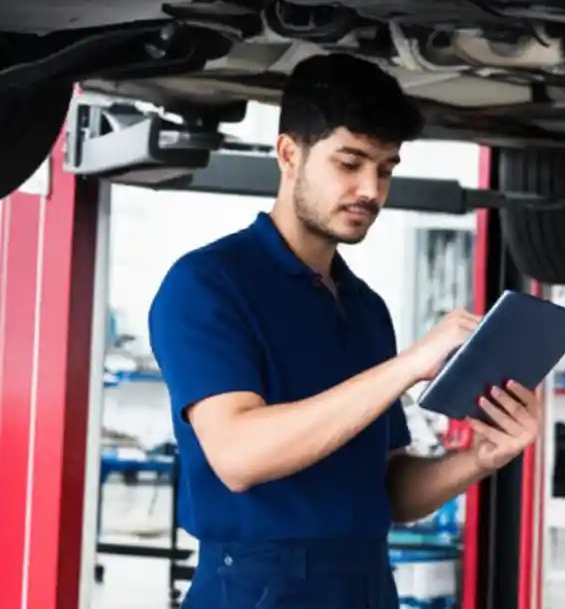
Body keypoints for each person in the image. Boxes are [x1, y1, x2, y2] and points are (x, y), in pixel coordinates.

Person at [148, 54, 543, 609]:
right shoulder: (209, 284)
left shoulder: (363, 308)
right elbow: (238, 456)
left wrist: (479, 459)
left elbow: (387, 492)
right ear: (289, 154)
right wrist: (408, 365)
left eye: (385, 168)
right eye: (349, 163)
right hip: (255, 589)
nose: (371, 190)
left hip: (364, 583)